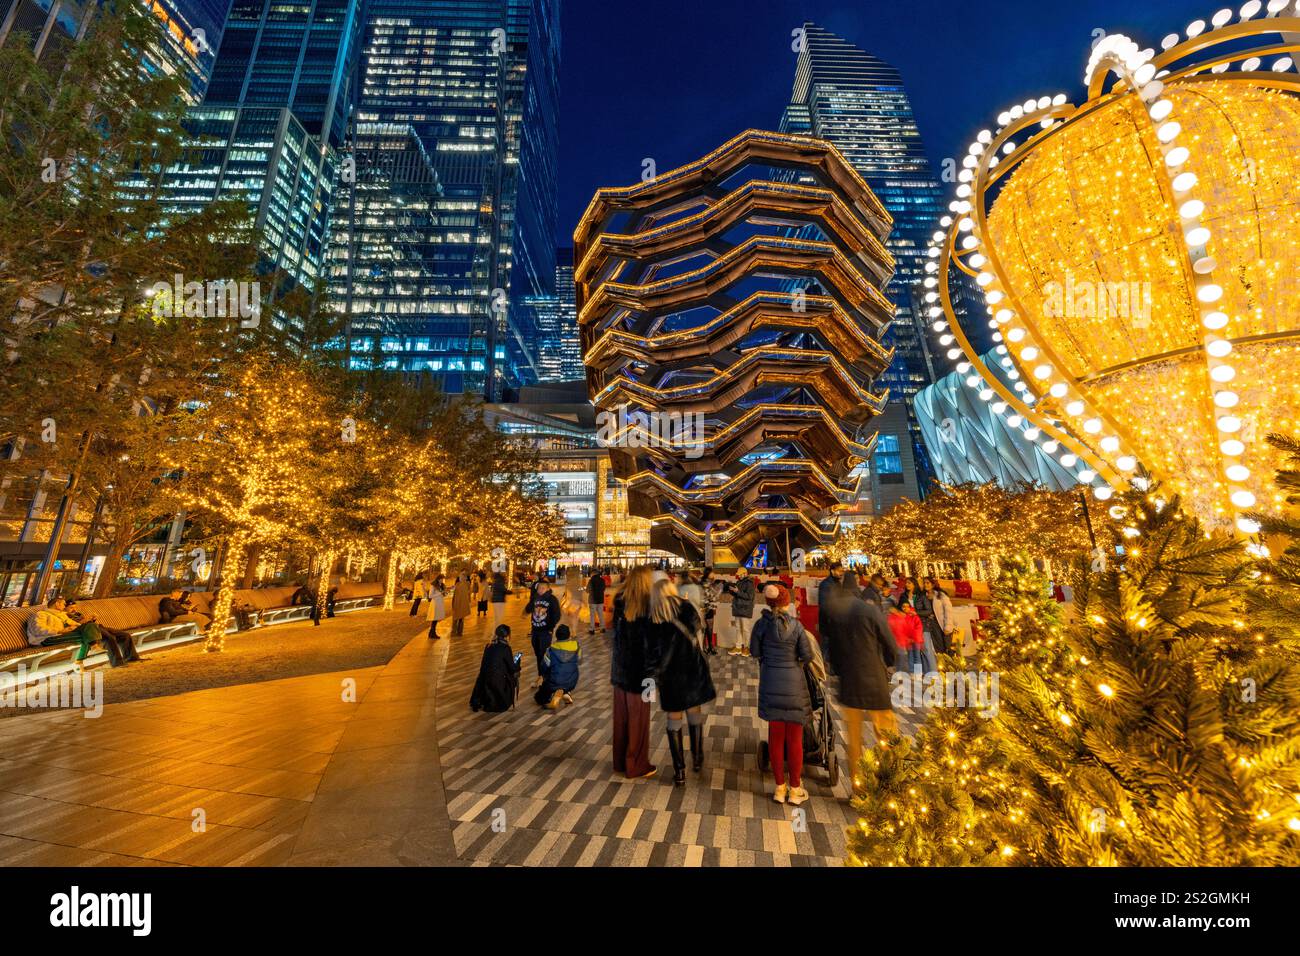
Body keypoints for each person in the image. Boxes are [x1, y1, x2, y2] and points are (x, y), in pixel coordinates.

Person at [645, 577, 716, 785]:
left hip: (671, 676)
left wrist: (650, 678)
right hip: (692, 670)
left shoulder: (655, 617)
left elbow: (651, 654)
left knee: (673, 720)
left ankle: (679, 771)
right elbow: (696, 628)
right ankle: (697, 757)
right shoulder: (686, 608)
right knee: (694, 713)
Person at [829, 585, 901, 784]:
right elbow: (890, 643)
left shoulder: (838, 615)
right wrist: (888, 662)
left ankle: (857, 786)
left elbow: (832, 651)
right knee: (886, 733)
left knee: (854, 740)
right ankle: (890, 781)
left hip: (850, 682)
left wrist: (839, 671)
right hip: (874, 678)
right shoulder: (871, 611)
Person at [750, 583, 814, 805]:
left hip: (770, 681)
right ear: (787, 602)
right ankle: (795, 788)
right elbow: (808, 655)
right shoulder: (796, 626)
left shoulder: (761, 625)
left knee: (775, 737)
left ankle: (779, 788)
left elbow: (754, 652)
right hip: (794, 684)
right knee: (795, 739)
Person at [610, 565, 657, 780]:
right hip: (644, 675)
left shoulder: (620, 602)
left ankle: (620, 761)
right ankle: (636, 764)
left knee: (621, 719)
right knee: (640, 720)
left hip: (620, 672)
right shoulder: (650, 606)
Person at [25, 598, 116, 667]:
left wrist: (87, 621)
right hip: (46, 639)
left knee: (89, 628)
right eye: (64, 604)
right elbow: (37, 630)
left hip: (60, 635)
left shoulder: (62, 615)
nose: (65, 606)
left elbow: (76, 624)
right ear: (57, 604)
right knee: (85, 636)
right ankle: (81, 660)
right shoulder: (41, 614)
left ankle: (89, 651)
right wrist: (59, 630)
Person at [65, 599, 143, 665]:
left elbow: (87, 622)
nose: (74, 609)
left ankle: (132, 658)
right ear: (65, 608)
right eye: (71, 607)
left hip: (97, 627)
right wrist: (87, 620)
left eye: (75, 607)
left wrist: (93, 619)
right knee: (109, 638)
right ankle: (117, 663)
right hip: (90, 632)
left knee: (125, 635)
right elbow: (77, 626)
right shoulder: (65, 616)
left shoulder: (78, 614)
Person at [470, 624, 521, 712]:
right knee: (515, 673)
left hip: (484, 678)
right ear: (507, 636)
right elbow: (512, 668)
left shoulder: (488, 645)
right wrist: (518, 662)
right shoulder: (505, 648)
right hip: (497, 681)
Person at [535, 623, 581, 709]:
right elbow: (580, 661)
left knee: (539, 697)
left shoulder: (550, 650)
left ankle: (557, 694)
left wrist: (544, 677)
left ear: (556, 636)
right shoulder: (576, 646)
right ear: (569, 635)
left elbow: (543, 667)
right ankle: (565, 692)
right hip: (572, 681)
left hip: (554, 682)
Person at [528, 579, 561, 685]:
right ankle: (541, 675)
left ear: (548, 589)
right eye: (539, 588)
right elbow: (530, 609)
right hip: (535, 630)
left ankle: (546, 677)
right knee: (538, 654)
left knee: (543, 654)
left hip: (545, 631)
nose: (541, 590)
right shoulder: (535, 598)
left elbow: (557, 615)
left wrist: (551, 628)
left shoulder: (552, 599)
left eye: (543, 588)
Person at [817, 561, 847, 663]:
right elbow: (824, 605)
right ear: (832, 571)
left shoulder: (837, 583)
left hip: (835, 621)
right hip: (828, 622)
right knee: (826, 647)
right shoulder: (826, 585)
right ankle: (823, 670)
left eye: (842, 571)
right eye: (839, 571)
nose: (841, 573)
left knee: (832, 647)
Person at [907, 577, 939, 672]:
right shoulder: (904, 596)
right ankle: (925, 672)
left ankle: (934, 672)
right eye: (906, 583)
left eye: (909, 583)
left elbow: (929, 611)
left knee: (927, 650)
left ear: (914, 584)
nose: (907, 585)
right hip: (911, 627)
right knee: (918, 651)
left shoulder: (921, 596)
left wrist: (916, 612)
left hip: (922, 625)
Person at [888, 595, 925, 674]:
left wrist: (914, 638)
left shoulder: (914, 616)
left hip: (916, 640)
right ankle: (912, 672)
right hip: (909, 641)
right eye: (903, 606)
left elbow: (919, 628)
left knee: (917, 657)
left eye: (907, 606)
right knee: (910, 656)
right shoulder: (904, 616)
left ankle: (918, 673)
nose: (905, 608)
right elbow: (904, 629)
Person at [725, 566, 756, 655]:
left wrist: (737, 591)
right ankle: (738, 647)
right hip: (738, 608)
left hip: (745, 608)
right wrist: (731, 590)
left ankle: (746, 647)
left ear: (745, 574)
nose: (739, 576)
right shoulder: (739, 582)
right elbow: (737, 594)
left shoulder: (750, 583)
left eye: (740, 575)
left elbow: (749, 597)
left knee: (745, 629)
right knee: (738, 628)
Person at [925, 577, 956, 656]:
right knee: (937, 647)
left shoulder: (941, 595)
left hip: (942, 623)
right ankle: (941, 663)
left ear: (932, 584)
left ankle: (951, 665)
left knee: (947, 647)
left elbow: (948, 611)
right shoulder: (924, 596)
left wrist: (948, 626)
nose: (925, 585)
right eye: (924, 583)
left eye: (927, 583)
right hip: (932, 625)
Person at [586, 568, 607, 635]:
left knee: (592, 615)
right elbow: (604, 589)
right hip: (600, 600)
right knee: (601, 614)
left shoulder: (591, 581)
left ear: (593, 574)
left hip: (592, 601)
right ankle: (602, 628)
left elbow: (587, 590)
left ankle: (592, 629)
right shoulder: (602, 580)